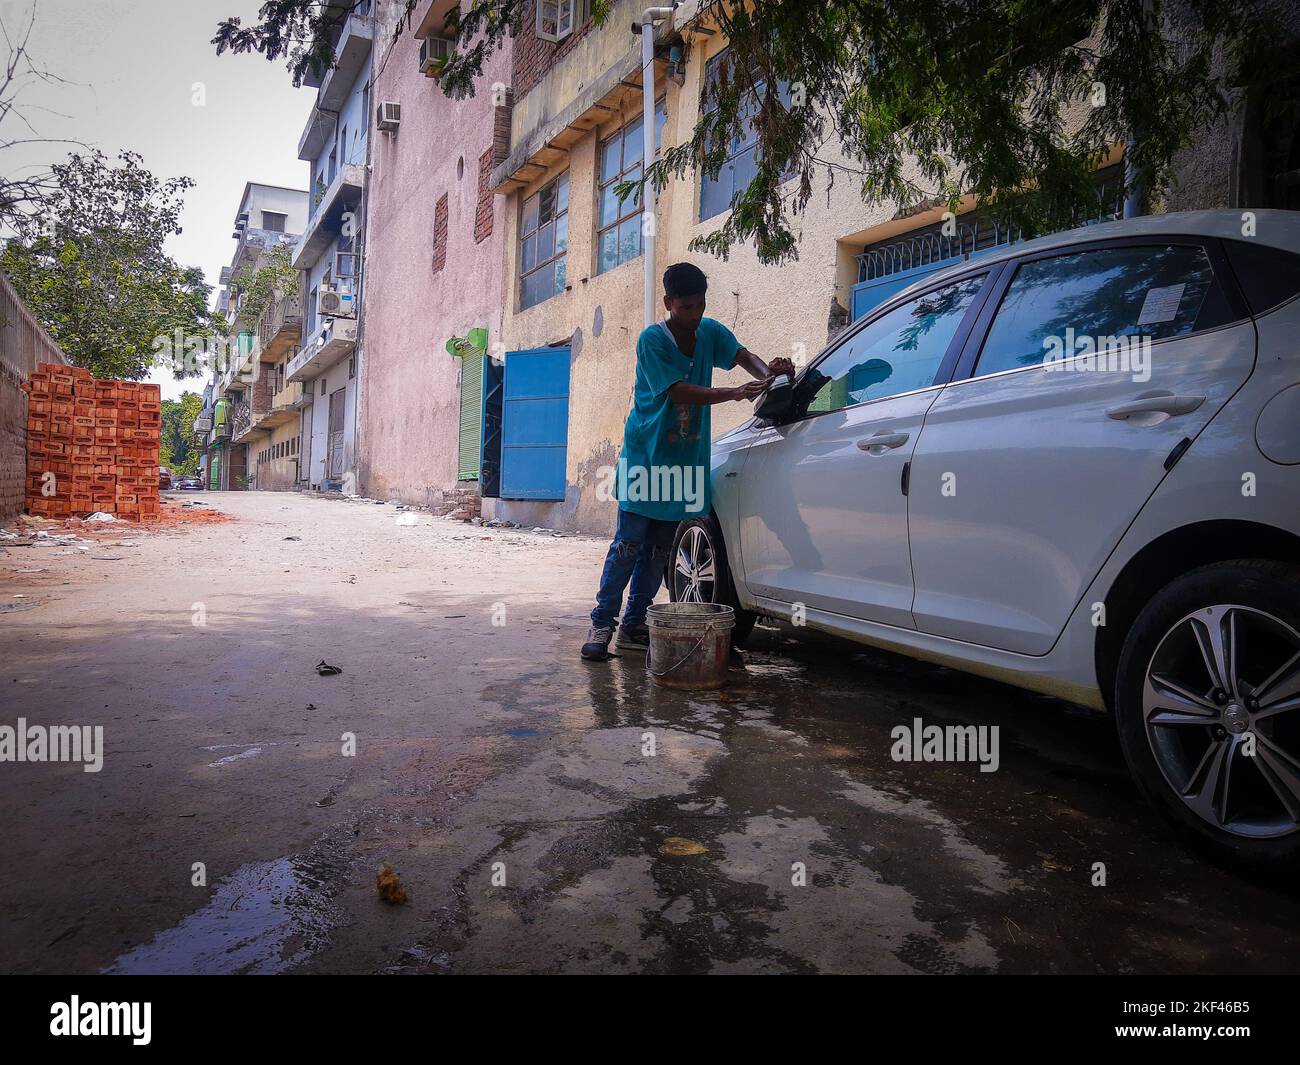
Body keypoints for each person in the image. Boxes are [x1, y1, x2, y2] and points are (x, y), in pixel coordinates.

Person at [581, 262, 795, 661]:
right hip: (648, 458)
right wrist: (734, 393)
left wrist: (773, 376)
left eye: (699, 306)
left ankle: (633, 626)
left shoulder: (710, 331)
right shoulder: (651, 341)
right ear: (668, 303)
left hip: (685, 460)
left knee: (661, 550)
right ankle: (601, 624)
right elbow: (678, 392)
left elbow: (744, 356)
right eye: (686, 308)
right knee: (628, 545)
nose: (694, 315)